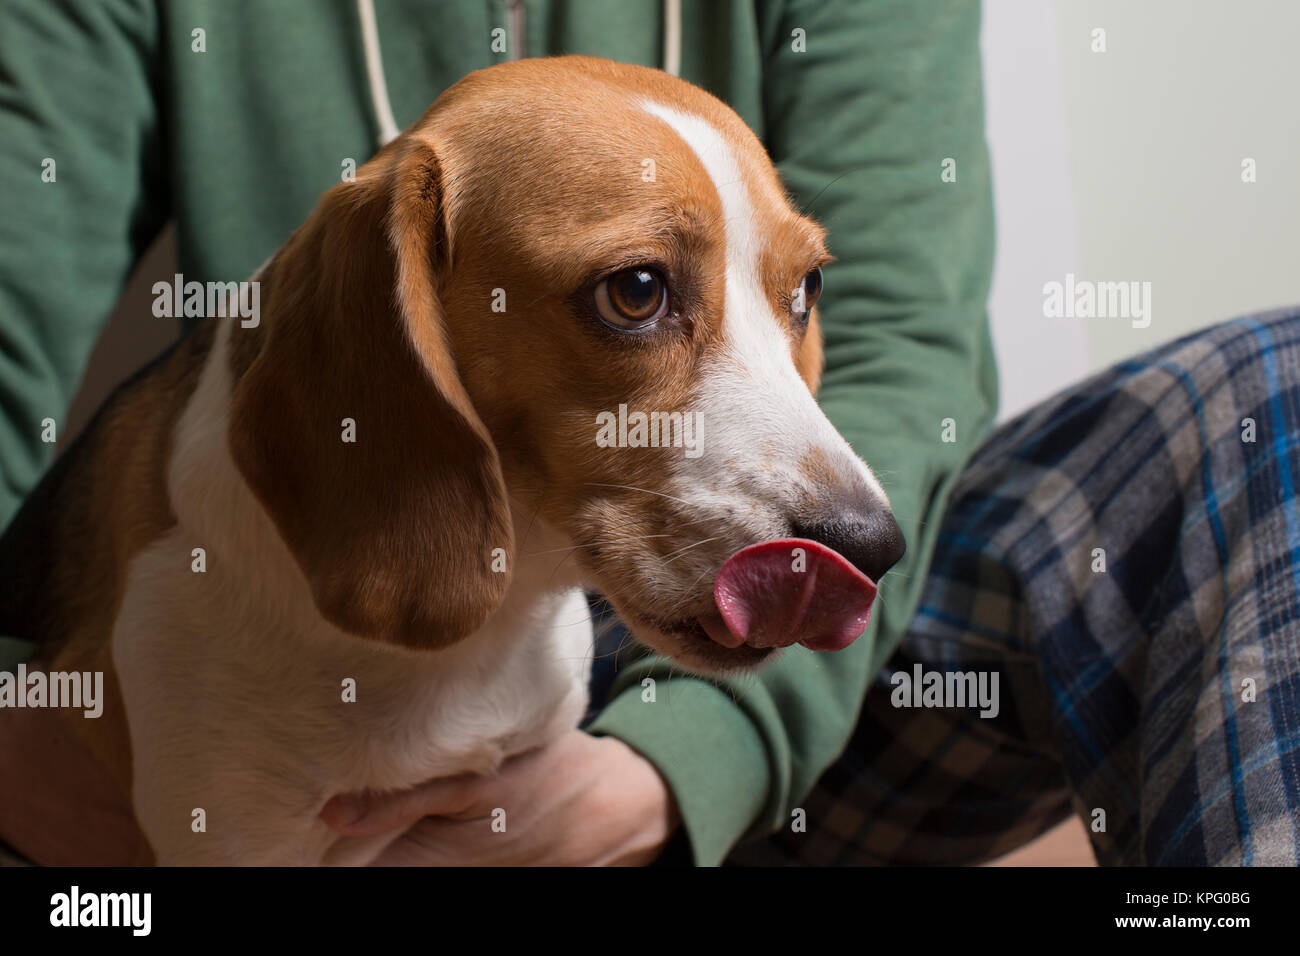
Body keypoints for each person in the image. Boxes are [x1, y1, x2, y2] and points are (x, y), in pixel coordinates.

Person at [3, 1, 1296, 868]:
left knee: (1262, 396)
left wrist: (672, 769)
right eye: (635, 290)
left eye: (798, 294)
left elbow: (905, 353)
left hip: (808, 686)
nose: (843, 523)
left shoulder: (833, 525)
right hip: (337, 574)